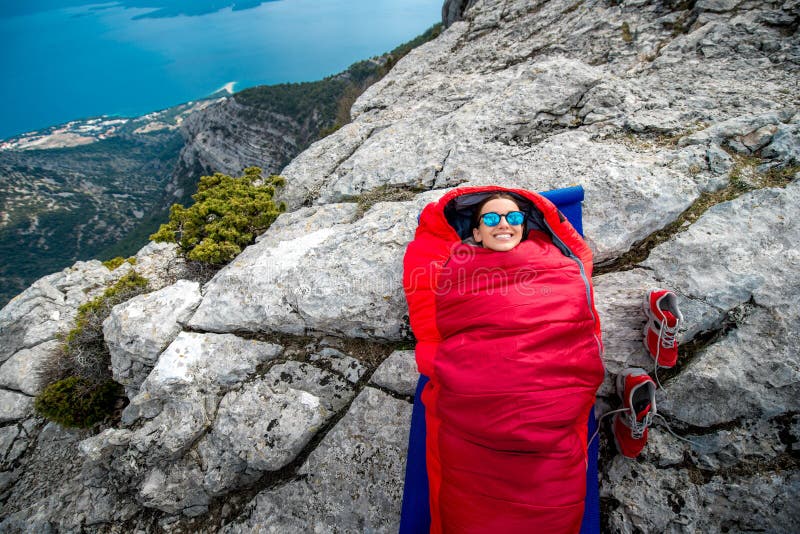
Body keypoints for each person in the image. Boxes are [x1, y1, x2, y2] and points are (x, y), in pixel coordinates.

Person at [402, 186, 605, 533]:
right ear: (476, 231)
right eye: (491, 218)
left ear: (524, 226)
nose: (503, 224)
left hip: (545, 419)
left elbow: (576, 334)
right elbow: (433, 327)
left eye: (513, 217)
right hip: (476, 425)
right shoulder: (452, 268)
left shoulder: (557, 264)